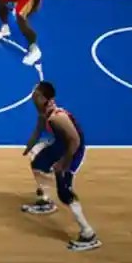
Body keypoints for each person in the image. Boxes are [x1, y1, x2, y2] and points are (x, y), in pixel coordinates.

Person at [21, 82, 99, 251]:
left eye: (36, 94)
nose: (33, 96)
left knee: (64, 191)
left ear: (44, 98)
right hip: (61, 145)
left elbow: (75, 140)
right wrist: (29, 146)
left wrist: (64, 162)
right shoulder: (44, 113)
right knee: (38, 163)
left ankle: (88, 234)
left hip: (73, 150)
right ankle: (45, 200)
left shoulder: (57, 117)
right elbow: (38, 129)